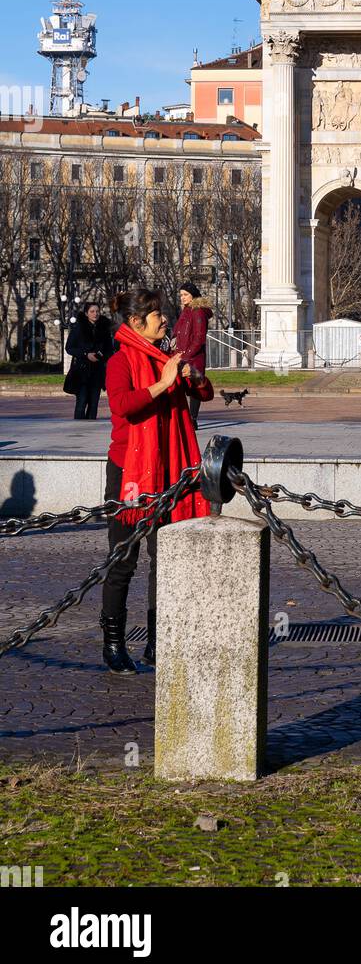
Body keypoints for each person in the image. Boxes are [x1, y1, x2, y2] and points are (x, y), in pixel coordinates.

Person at [100, 288, 213, 674]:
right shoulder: (120, 361)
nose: (165, 320)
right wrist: (164, 383)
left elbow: (206, 392)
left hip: (168, 471)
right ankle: (113, 644)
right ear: (136, 323)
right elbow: (123, 405)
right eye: (157, 315)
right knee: (123, 560)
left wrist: (191, 375)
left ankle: (157, 642)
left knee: (162, 560)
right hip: (130, 473)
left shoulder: (165, 356)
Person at [171, 283, 213, 429]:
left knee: (195, 388)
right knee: (178, 386)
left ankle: (192, 418)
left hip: (193, 356)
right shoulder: (186, 311)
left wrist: (186, 355)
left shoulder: (198, 311)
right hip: (181, 354)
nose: (182, 298)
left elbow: (199, 337)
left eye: (185, 294)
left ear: (193, 295)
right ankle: (182, 417)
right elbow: (178, 330)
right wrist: (173, 339)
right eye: (181, 295)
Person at [64, 301, 113, 420]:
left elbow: (109, 349)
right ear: (86, 313)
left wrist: (100, 356)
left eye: (97, 311)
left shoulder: (104, 329)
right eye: (92, 311)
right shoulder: (78, 328)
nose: (95, 314)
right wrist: (86, 354)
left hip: (97, 371)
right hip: (82, 371)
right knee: (82, 401)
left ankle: (90, 429)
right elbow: (69, 348)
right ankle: (78, 429)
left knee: (94, 404)